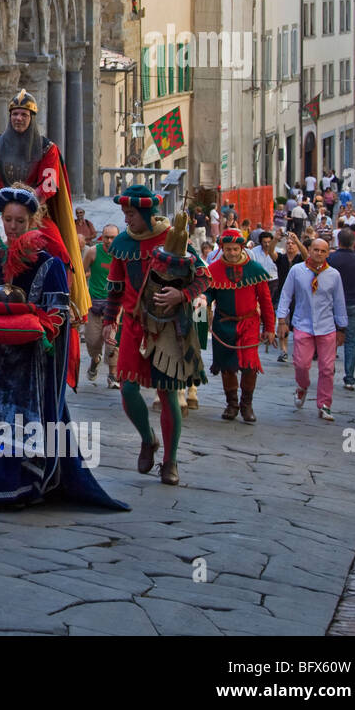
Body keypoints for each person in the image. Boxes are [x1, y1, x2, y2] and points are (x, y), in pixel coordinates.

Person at [0, 185, 127, 510]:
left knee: (17, 420)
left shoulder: (50, 264)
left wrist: (31, 322)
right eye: (8, 220)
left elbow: (57, 316)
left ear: (33, 221)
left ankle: (17, 486)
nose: (13, 227)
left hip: (29, 363)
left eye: (20, 221)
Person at [102, 186, 210, 486]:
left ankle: (170, 461)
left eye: (132, 214)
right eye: (124, 214)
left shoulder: (173, 237)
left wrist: (181, 294)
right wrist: (110, 319)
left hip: (168, 328)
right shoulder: (122, 242)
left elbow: (204, 276)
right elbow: (116, 285)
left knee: (167, 395)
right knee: (127, 390)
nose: (127, 219)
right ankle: (147, 439)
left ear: (147, 213)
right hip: (134, 326)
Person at [0, 89, 91, 318]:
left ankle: (64, 305)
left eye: (24, 115)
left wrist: (27, 199)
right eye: (15, 114)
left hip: (35, 213)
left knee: (60, 252)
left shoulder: (48, 149)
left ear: (31, 118)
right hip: (1, 211)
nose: (18, 118)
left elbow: (49, 184)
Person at [206, 230, 276, 423]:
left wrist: (269, 328)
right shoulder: (213, 269)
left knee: (249, 365)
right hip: (223, 323)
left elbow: (266, 301)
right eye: (228, 249)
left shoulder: (254, 269)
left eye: (236, 249)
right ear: (222, 249)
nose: (233, 253)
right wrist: (203, 301)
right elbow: (208, 293)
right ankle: (232, 404)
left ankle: (247, 405)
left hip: (249, 324)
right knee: (227, 366)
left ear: (242, 248)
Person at [276, 238, 347, 423]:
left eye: (323, 251)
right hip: (303, 324)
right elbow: (285, 295)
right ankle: (302, 385)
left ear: (328, 253)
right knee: (301, 363)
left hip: (327, 326)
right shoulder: (297, 271)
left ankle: (324, 404)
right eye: (315, 250)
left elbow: (339, 302)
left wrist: (342, 327)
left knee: (327, 368)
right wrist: (282, 319)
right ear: (309, 250)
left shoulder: (334, 275)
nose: (319, 254)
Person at [327, 227, 355, 392]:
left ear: (338, 241)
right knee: (350, 341)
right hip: (352, 303)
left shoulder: (331, 259)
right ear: (353, 242)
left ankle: (328, 372)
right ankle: (349, 378)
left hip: (331, 304)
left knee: (330, 339)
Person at [83, 224, 119, 389]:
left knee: (112, 342)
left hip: (114, 305)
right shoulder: (93, 252)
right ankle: (94, 360)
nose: (109, 240)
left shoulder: (122, 255)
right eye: (106, 237)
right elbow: (81, 274)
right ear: (101, 237)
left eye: (112, 237)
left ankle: (112, 376)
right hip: (94, 304)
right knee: (92, 340)